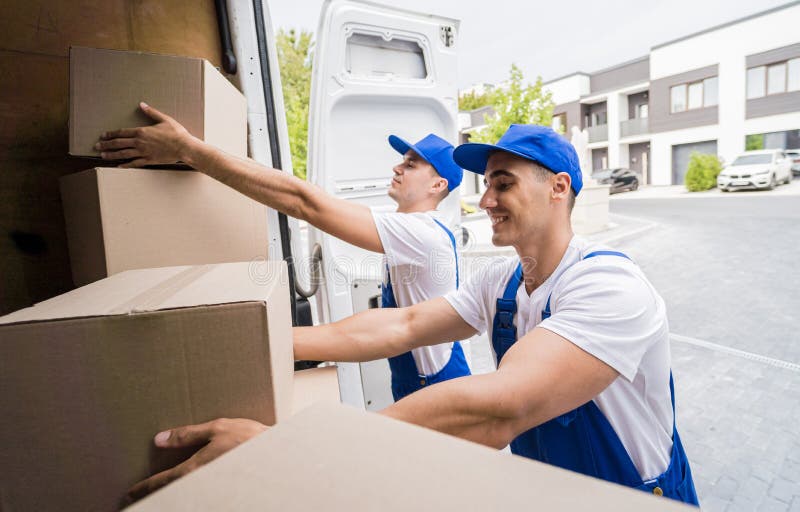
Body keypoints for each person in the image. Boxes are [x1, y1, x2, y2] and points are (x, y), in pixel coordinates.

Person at [114, 124, 698, 507]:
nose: (486, 200)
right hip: (551, 490)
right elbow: (401, 326)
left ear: (559, 189)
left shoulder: (608, 285)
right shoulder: (502, 279)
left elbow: (503, 405)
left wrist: (284, 446)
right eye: (485, 184)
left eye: (503, 184)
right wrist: (253, 342)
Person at [96, 103, 471, 402]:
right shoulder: (404, 224)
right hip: (418, 381)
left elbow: (303, 201)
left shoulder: (421, 234)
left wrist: (189, 150)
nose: (397, 166)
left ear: (438, 184)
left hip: (436, 385)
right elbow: (300, 192)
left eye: (411, 163)